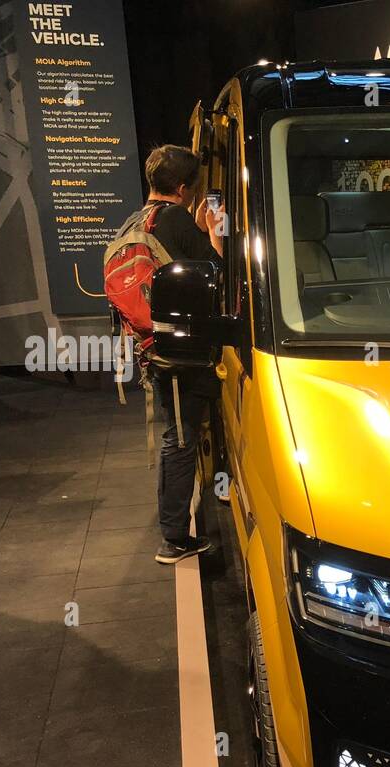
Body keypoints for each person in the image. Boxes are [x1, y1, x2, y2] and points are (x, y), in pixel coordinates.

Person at [120, 144, 224, 564]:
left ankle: (181, 525)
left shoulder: (135, 220)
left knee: (179, 434)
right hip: (183, 355)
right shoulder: (176, 218)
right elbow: (217, 272)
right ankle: (174, 538)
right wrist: (214, 236)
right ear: (183, 188)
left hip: (155, 348)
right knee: (180, 440)